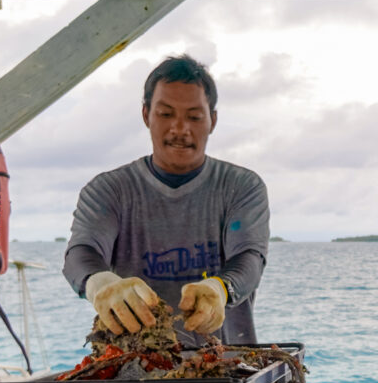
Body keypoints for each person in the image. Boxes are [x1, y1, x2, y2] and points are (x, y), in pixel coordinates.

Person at [64, 54, 270, 347]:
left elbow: (249, 257)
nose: (180, 129)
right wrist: (99, 282)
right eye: (165, 114)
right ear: (146, 114)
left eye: (194, 117)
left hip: (226, 362)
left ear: (212, 120)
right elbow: (81, 252)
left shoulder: (241, 187)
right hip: (133, 363)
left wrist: (220, 288)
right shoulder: (108, 190)